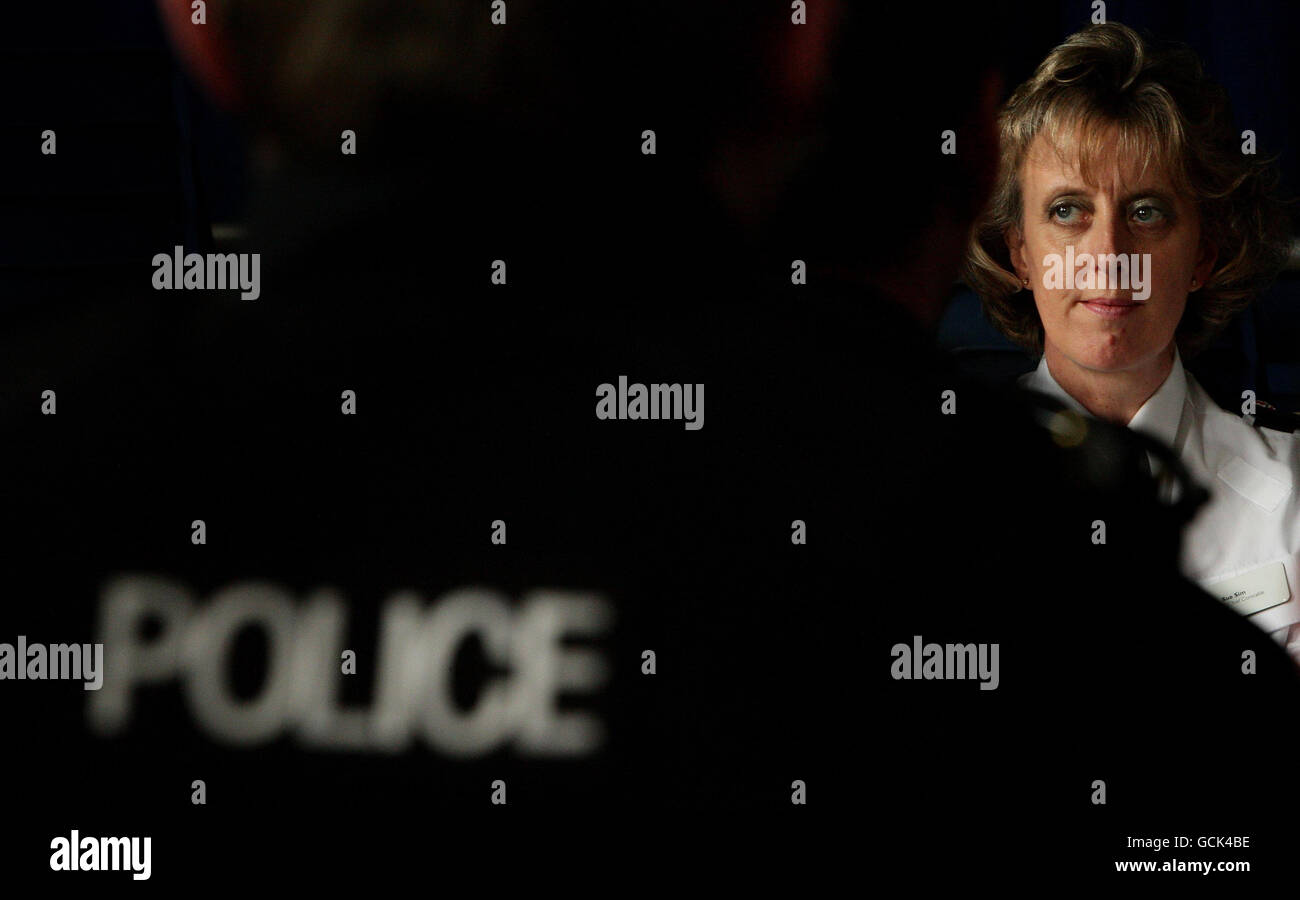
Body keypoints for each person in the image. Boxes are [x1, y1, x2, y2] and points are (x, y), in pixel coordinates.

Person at [964, 21, 1300, 660]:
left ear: (1202, 255)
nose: (1109, 256)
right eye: (1067, 210)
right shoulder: (937, 491)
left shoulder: (1294, 496)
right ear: (1021, 252)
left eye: (1147, 212)